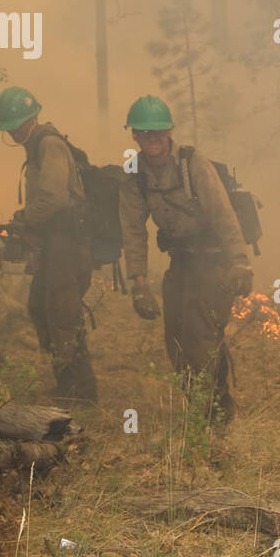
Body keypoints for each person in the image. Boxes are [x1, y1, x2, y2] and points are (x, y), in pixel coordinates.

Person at [117, 95, 251, 423]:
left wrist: (240, 262)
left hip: (213, 259)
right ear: (134, 135)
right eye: (145, 134)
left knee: (202, 338)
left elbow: (224, 214)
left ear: (170, 132)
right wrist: (138, 285)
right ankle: (197, 403)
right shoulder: (134, 175)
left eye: (158, 134)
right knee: (176, 340)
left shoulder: (193, 164)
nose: (152, 141)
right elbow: (133, 232)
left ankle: (216, 414)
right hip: (180, 262)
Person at [0, 86, 98, 401]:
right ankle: (65, 380)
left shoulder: (49, 144)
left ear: (33, 118)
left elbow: (53, 196)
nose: (14, 131)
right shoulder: (35, 147)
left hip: (69, 243)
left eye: (19, 124)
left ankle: (81, 391)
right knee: (39, 306)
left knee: (62, 314)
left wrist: (25, 219)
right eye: (11, 126)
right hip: (55, 244)